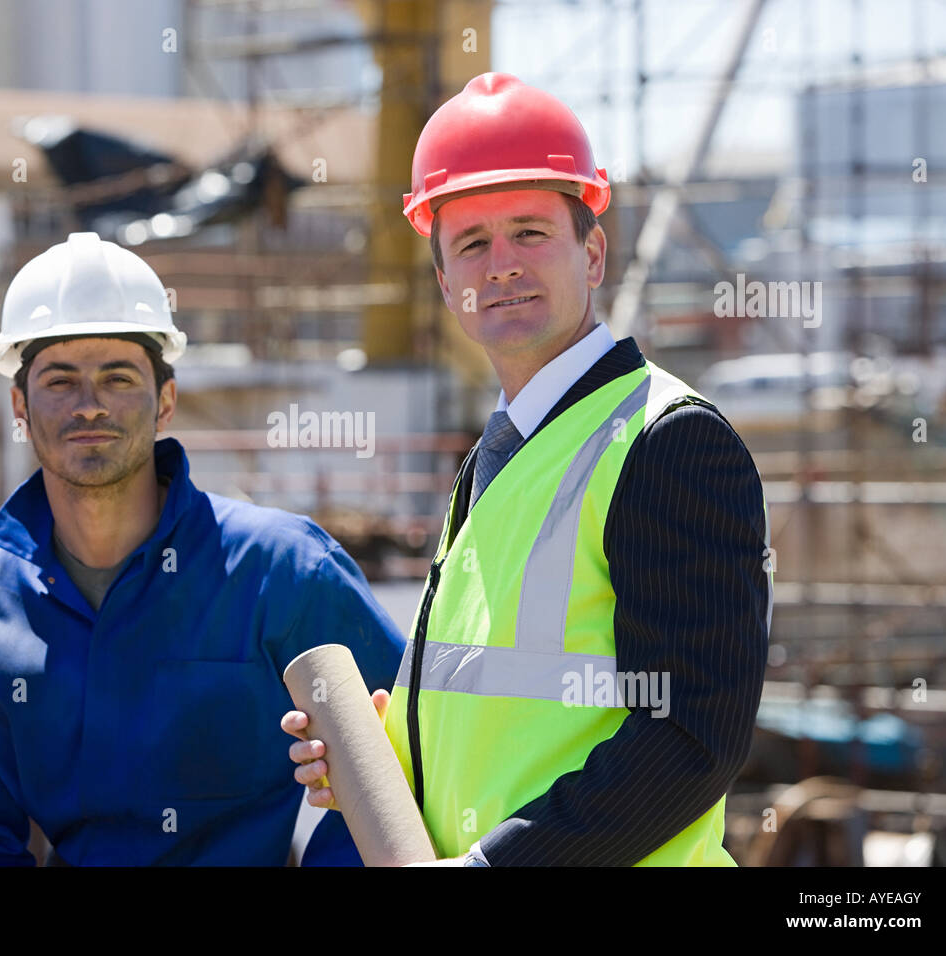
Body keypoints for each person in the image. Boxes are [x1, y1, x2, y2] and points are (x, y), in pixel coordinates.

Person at [284, 73, 772, 866]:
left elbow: (690, 735)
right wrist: (384, 755)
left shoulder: (668, 442)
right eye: (471, 243)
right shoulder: (500, 454)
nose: (500, 265)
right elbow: (508, 705)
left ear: (594, 250)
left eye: (530, 232)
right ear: (445, 282)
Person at [0, 232, 404, 865]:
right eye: (60, 381)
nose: (89, 406)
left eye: (118, 378)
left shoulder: (283, 572)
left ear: (164, 402)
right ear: (19, 406)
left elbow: (401, 756)